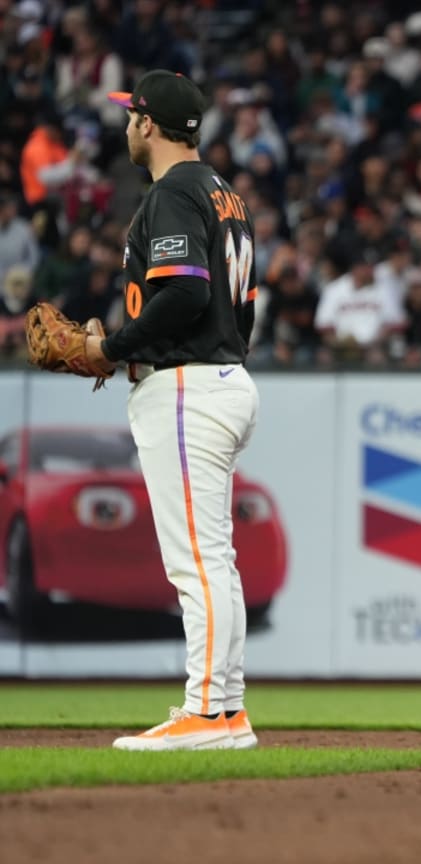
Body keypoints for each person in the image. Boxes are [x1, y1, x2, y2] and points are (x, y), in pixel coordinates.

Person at [82, 71, 261, 752]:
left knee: (197, 563)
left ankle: (208, 713)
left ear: (148, 124)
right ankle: (227, 710)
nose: (127, 125)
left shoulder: (175, 192)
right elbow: (237, 308)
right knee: (215, 559)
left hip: (189, 385)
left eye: (132, 115)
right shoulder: (224, 194)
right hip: (222, 375)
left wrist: (112, 349)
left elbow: (186, 293)